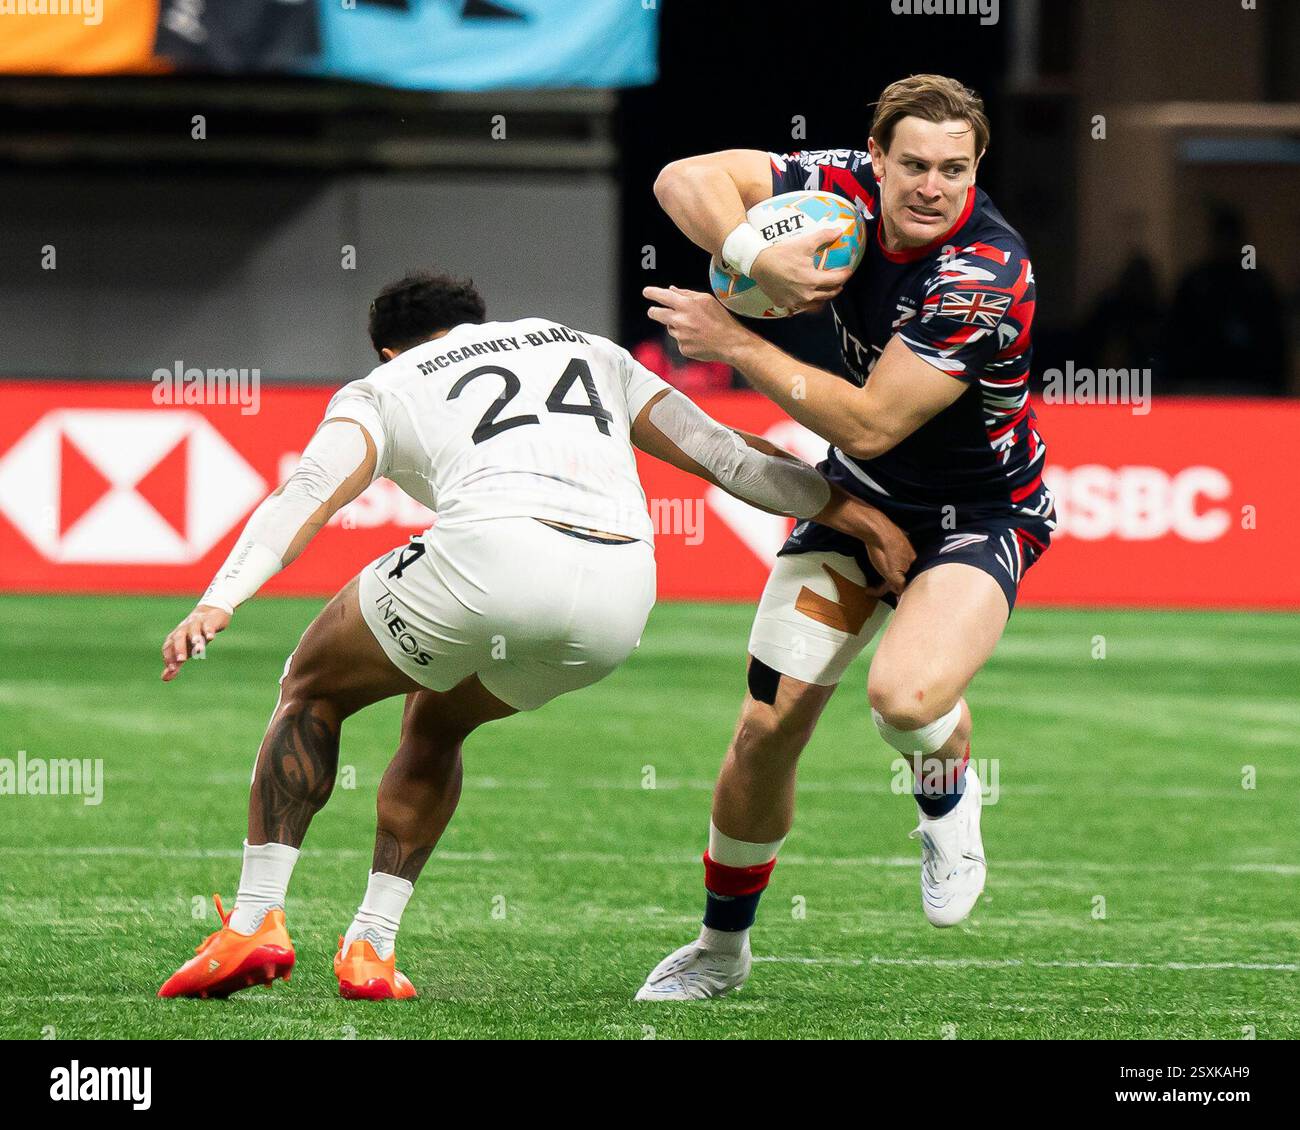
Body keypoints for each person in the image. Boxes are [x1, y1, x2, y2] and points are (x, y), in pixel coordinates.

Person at [156, 270, 915, 1001]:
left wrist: (220, 599)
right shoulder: (582, 345)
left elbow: (308, 497)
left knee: (313, 685)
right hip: (620, 597)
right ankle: (372, 946)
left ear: (390, 347)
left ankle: (256, 922)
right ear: (481, 321)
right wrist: (858, 516)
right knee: (437, 720)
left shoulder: (386, 384)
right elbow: (727, 453)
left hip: (494, 560)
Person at [636, 74, 1055, 1000]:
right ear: (875, 158)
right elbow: (681, 179)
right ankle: (720, 949)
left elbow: (870, 421)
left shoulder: (984, 274)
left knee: (904, 701)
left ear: (977, 167)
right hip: (856, 497)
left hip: (980, 513)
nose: (932, 186)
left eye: (955, 168)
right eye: (913, 164)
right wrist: (756, 253)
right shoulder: (840, 189)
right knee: (764, 730)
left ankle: (946, 793)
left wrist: (737, 338)